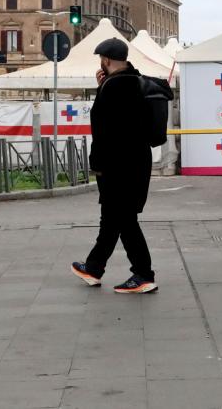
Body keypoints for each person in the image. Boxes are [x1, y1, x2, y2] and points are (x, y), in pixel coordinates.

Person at [71, 37, 157, 294]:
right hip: (138, 161)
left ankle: (143, 274)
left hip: (117, 166)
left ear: (106, 60)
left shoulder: (113, 88)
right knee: (113, 219)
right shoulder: (136, 81)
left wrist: (96, 165)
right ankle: (94, 268)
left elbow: (104, 130)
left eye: (101, 60)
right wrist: (103, 85)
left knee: (124, 221)